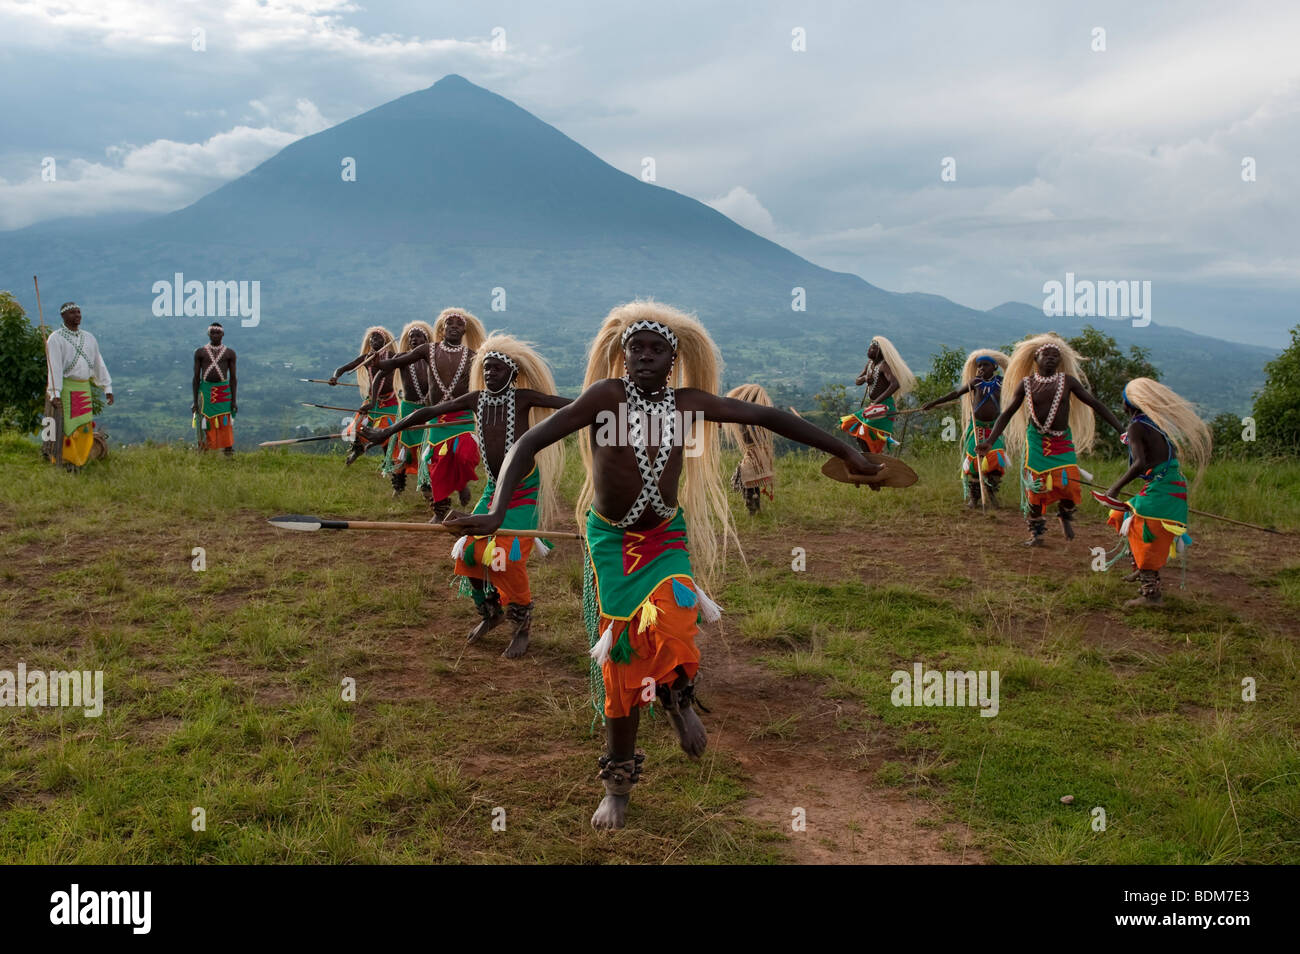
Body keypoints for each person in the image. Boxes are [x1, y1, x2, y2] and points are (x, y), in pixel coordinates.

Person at [446, 301, 880, 830]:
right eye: (637, 349)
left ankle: (677, 699)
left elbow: (767, 417)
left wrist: (848, 451)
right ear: (623, 357)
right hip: (611, 544)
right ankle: (618, 783)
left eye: (657, 350)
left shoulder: (686, 405)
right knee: (625, 661)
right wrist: (495, 511)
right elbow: (530, 442)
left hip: (664, 537)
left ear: (673, 359)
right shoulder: (604, 399)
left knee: (675, 621)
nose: (646, 357)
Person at [363, 334, 570, 656]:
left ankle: (521, 624)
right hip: (493, 487)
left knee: (509, 557)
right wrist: (388, 430)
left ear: (513, 373)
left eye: (498, 369)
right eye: (486, 369)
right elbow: (427, 412)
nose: (490, 374)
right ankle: (491, 612)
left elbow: (574, 408)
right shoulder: (477, 399)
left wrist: (611, 409)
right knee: (467, 552)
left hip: (525, 487)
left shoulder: (524, 398)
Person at [977, 334, 1125, 546]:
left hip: (1061, 442)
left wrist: (1121, 430)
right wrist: (990, 441)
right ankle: (1036, 535)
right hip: (1036, 441)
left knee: (1070, 485)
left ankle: (1065, 516)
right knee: (1036, 487)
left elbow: (1095, 404)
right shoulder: (1026, 385)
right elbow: (1007, 414)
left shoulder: (1068, 382)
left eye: (1055, 356)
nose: (1051, 359)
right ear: (1035, 358)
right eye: (1046, 354)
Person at [1102, 378, 1211, 607]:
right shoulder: (1152, 423)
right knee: (1122, 516)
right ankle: (1140, 567)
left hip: (1163, 489)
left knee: (1143, 531)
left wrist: (1115, 488)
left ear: (1127, 404)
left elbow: (1140, 463)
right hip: (1169, 485)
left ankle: (1151, 594)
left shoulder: (1137, 426)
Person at [922, 350, 1009, 508]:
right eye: (979, 365)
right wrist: (934, 403)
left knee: (996, 461)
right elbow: (955, 393)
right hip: (977, 427)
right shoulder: (975, 382)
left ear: (994, 367)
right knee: (974, 463)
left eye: (985, 365)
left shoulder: (1002, 382)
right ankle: (974, 499)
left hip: (994, 429)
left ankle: (991, 495)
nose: (981, 368)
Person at [43, 301, 113, 469]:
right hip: (67, 388)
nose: (77, 316)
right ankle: (67, 460)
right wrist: (55, 393)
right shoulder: (56, 338)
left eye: (79, 312)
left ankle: (81, 459)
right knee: (68, 426)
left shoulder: (89, 338)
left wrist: (107, 387)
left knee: (84, 426)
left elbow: (98, 363)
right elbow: (54, 367)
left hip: (84, 388)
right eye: (72, 312)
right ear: (63, 316)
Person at [373, 320, 436, 497]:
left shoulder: (434, 358)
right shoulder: (402, 358)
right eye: (411, 337)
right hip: (408, 410)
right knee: (404, 453)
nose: (415, 339)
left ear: (426, 338)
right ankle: (398, 486)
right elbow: (380, 375)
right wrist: (372, 401)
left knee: (427, 450)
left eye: (419, 336)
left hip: (428, 411)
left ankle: (426, 486)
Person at [329, 327, 399, 467]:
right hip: (371, 401)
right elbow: (343, 368)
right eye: (372, 338)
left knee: (387, 432)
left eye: (378, 338)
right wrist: (335, 377)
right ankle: (357, 450)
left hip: (390, 401)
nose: (374, 341)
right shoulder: (366, 358)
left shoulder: (392, 357)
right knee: (358, 428)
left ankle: (388, 460)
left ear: (385, 341)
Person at [840, 336, 917, 454]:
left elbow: (895, 384)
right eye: (869, 348)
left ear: (880, 351)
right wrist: (866, 378)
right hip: (874, 407)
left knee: (863, 433)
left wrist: (877, 401)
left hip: (884, 407)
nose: (869, 350)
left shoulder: (884, 366)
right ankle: (871, 459)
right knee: (852, 427)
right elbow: (857, 380)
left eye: (873, 348)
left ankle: (872, 460)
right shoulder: (870, 364)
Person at [721, 383, 776, 515]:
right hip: (757, 453)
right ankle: (754, 509)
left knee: (749, 479)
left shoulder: (752, 420)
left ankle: (753, 510)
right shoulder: (753, 419)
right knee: (751, 481)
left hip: (755, 453)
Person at [191, 323, 237, 455]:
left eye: (218, 333)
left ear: (223, 334)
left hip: (223, 392)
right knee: (204, 420)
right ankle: (203, 450)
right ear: (208, 334)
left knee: (225, 422)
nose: (215, 335)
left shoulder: (229, 353)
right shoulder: (200, 352)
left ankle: (228, 451)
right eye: (212, 332)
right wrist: (195, 401)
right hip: (205, 391)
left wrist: (234, 401)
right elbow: (196, 378)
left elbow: (233, 378)